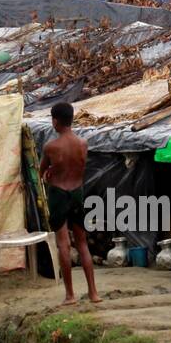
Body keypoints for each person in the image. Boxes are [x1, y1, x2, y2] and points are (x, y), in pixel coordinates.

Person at [41, 102, 99, 304]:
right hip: (77, 193)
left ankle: (70, 295)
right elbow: (79, 167)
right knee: (82, 244)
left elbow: (42, 173)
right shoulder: (83, 144)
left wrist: (49, 174)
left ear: (55, 121)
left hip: (58, 194)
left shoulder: (51, 147)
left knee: (63, 245)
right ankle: (93, 293)